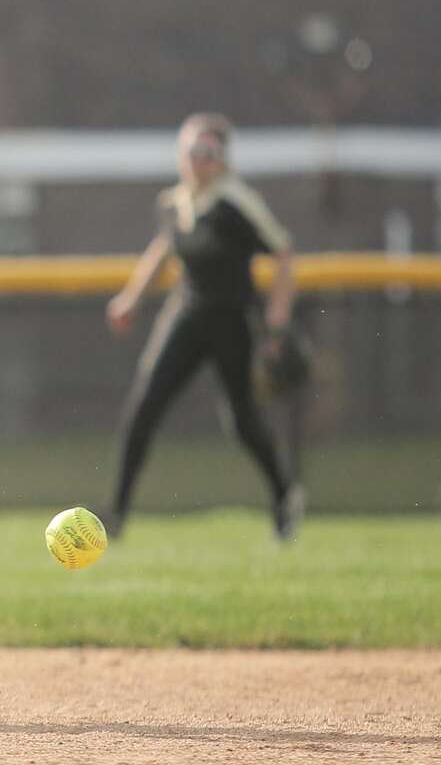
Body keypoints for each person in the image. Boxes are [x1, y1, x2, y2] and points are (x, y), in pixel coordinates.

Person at [102, 113, 304, 541]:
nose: (197, 160)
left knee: (241, 421)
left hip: (233, 320)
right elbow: (164, 249)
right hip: (188, 315)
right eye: (190, 151)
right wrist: (131, 298)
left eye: (207, 152)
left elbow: (284, 252)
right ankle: (115, 515)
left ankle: (285, 495)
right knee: (144, 405)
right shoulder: (175, 202)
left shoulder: (235, 202)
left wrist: (277, 321)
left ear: (223, 158)